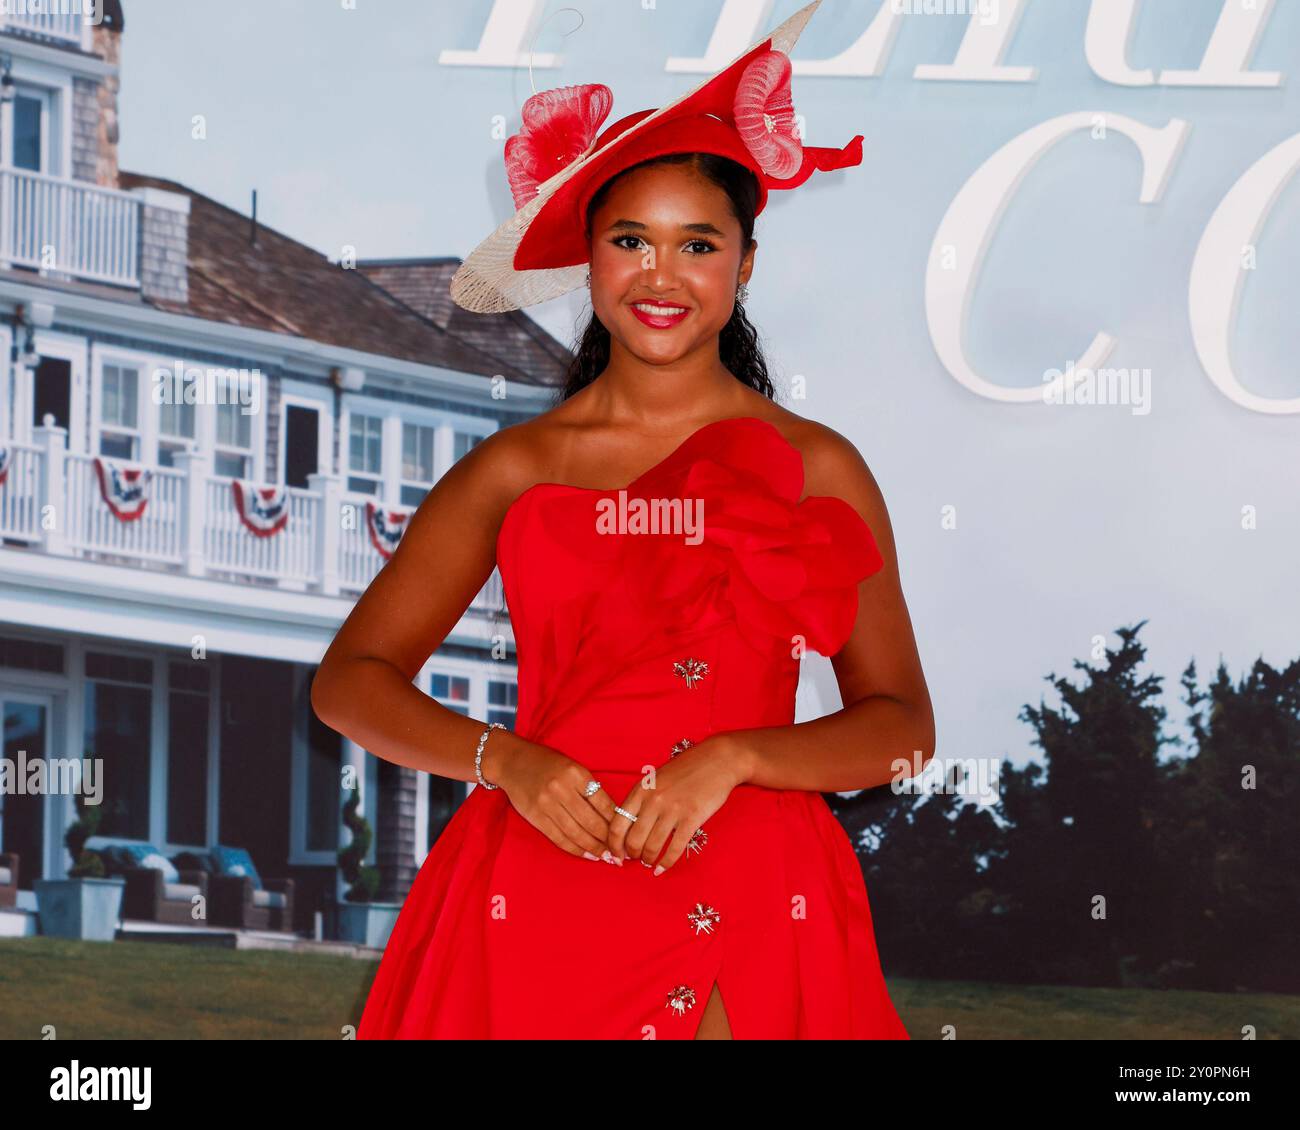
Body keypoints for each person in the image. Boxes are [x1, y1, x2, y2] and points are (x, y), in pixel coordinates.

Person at [312, 0, 933, 1040]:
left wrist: (735, 755)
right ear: (588, 259)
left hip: (753, 891)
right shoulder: (516, 466)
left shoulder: (819, 465)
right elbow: (348, 683)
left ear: (745, 263)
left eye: (697, 243)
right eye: (629, 239)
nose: (660, 274)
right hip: (540, 883)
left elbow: (903, 729)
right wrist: (503, 758)